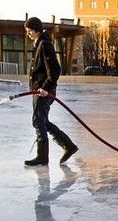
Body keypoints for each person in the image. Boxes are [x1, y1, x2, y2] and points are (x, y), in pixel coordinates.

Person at [23, 16, 78, 167]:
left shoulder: (44, 44)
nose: (28, 34)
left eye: (29, 31)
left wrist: (45, 89)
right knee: (42, 121)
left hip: (43, 92)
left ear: (35, 30)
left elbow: (54, 70)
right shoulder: (40, 44)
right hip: (39, 91)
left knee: (38, 121)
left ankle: (43, 157)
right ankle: (68, 146)